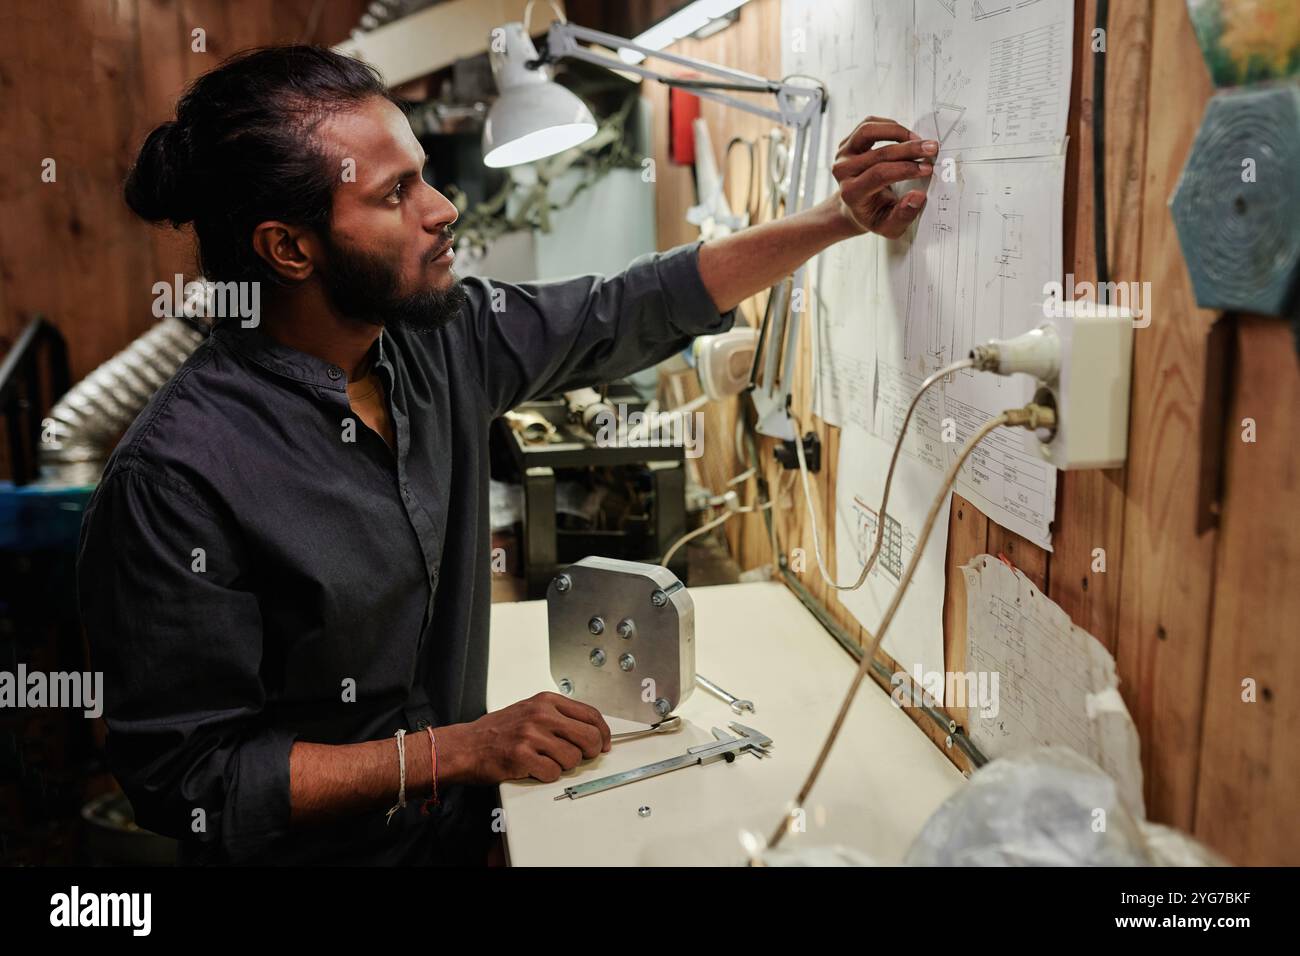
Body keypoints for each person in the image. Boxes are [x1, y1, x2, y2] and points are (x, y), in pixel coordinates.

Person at [77, 45, 936, 865]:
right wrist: (457, 750)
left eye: (424, 173)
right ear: (288, 248)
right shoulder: (176, 479)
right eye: (396, 192)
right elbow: (192, 778)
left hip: (455, 838)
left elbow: (626, 309)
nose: (441, 206)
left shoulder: (439, 342)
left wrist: (835, 220)